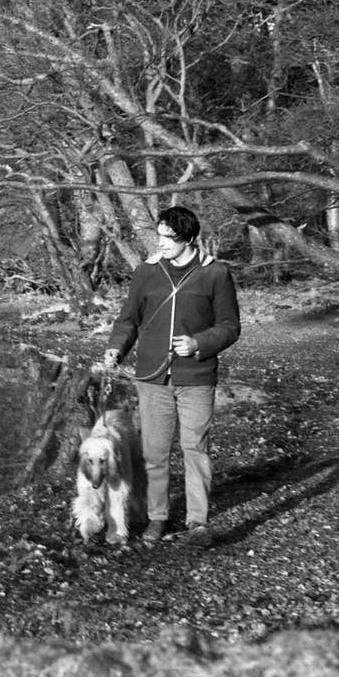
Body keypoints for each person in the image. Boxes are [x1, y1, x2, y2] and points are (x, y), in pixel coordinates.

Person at [103, 206, 240, 544]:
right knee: (154, 453)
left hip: (197, 377)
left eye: (169, 238)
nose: (161, 243)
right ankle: (157, 518)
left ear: (189, 239)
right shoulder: (146, 272)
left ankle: (198, 523)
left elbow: (230, 327)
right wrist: (116, 348)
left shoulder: (215, 274)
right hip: (151, 378)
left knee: (195, 448)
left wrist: (198, 343)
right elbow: (128, 321)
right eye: (159, 235)